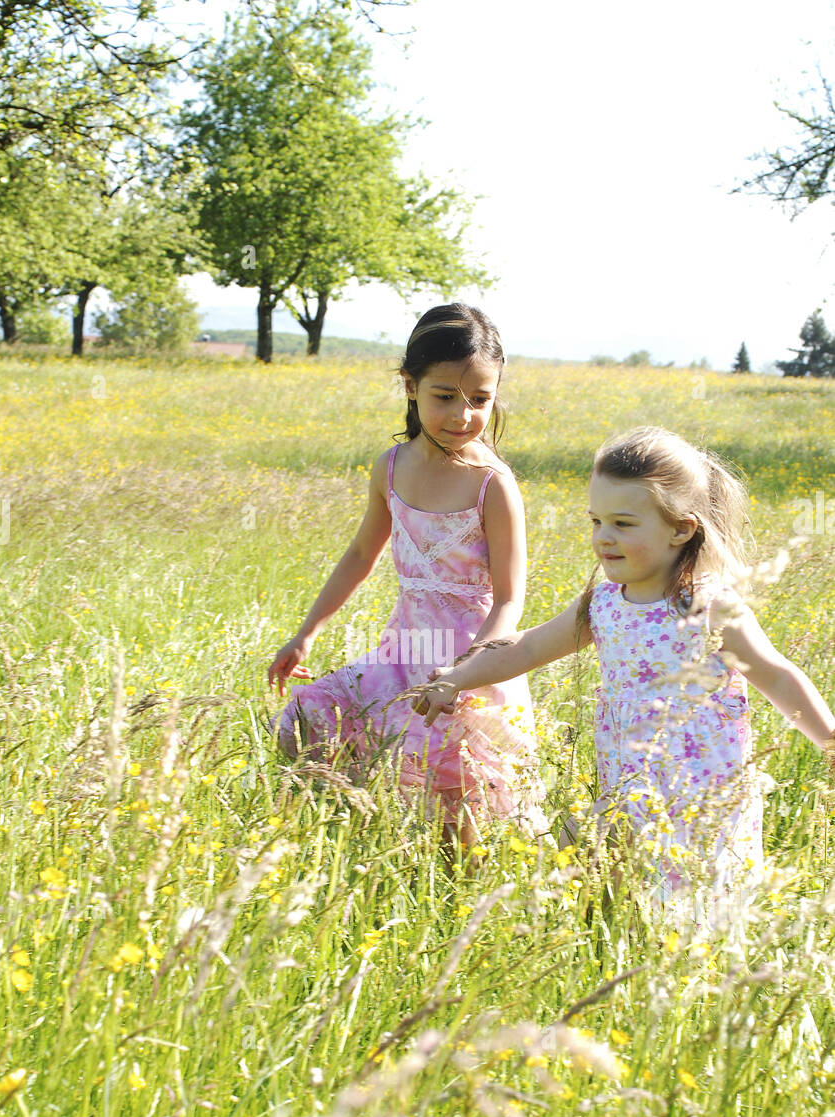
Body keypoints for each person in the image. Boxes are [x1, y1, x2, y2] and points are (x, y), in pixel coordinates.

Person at [411, 426, 835, 914]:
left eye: (623, 524)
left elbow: (776, 674)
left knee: (688, 917)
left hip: (700, 801)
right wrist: (456, 678)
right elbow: (527, 648)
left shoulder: (707, 606)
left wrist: (828, 741)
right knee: (575, 865)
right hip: (627, 788)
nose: (602, 538)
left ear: (681, 529)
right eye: (596, 521)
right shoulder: (604, 602)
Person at [267, 303, 543, 842]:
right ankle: (348, 843)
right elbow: (360, 555)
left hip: (473, 665)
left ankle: (458, 906)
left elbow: (511, 599)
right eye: (446, 396)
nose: (463, 415)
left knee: (461, 813)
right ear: (410, 386)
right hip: (403, 655)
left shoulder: (493, 484)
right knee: (304, 722)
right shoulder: (391, 468)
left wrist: (462, 675)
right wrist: (306, 633)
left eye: (480, 400)